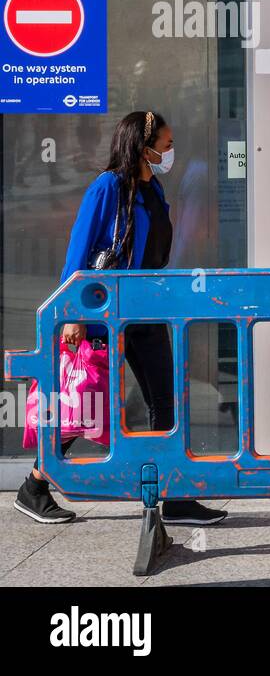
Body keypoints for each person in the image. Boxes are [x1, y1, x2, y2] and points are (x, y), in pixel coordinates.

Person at [14, 111, 228, 527]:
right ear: (142, 147)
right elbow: (78, 254)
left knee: (166, 401)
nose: (170, 152)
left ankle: (173, 496)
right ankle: (34, 486)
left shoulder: (153, 189)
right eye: (165, 145)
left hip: (143, 313)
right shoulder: (107, 188)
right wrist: (71, 313)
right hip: (102, 316)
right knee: (82, 404)